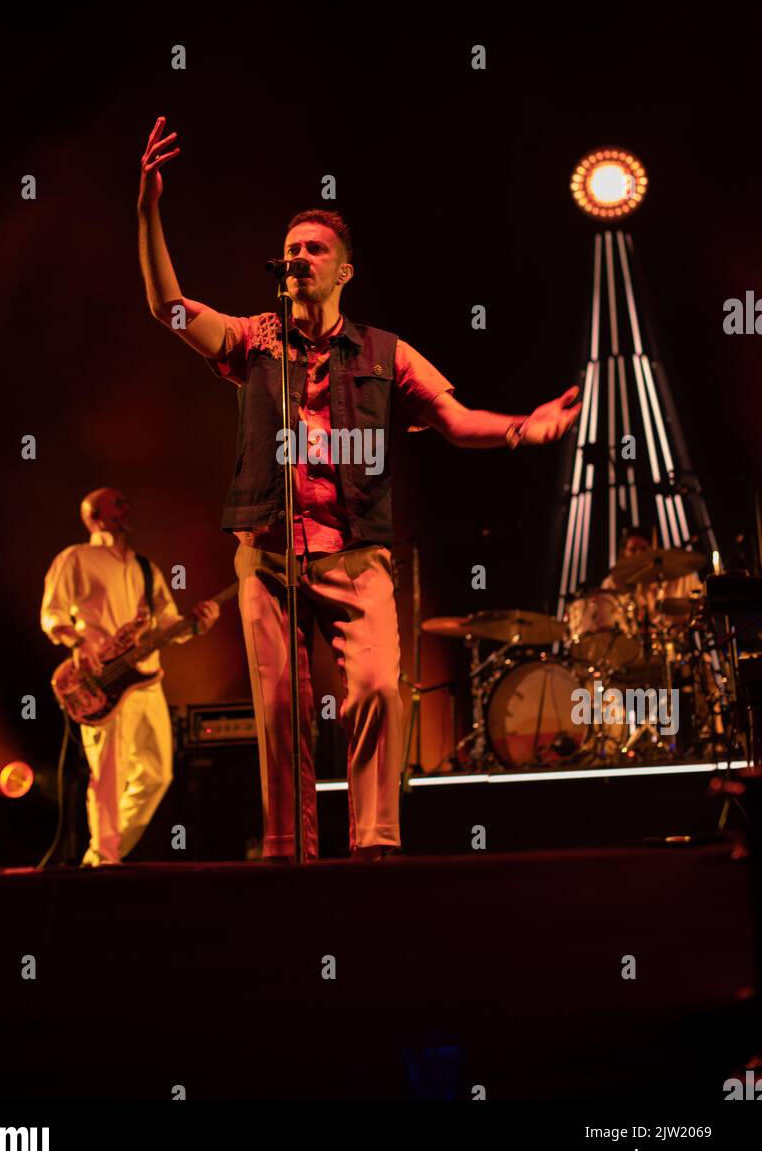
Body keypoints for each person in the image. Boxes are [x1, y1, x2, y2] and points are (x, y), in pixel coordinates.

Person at [137, 116, 581, 861]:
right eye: (291, 249)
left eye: (315, 249)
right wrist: (148, 208)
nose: (299, 257)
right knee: (280, 711)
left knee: (376, 689)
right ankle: (289, 853)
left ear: (345, 270)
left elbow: (453, 418)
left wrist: (521, 429)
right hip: (269, 554)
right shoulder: (255, 338)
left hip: (353, 553)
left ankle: (375, 846)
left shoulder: (384, 352)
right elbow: (168, 309)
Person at [40, 486, 219, 866]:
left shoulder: (145, 567)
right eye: (115, 503)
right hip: (99, 680)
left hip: (145, 679)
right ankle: (105, 859)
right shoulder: (75, 559)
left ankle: (103, 852)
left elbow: (166, 622)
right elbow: (52, 613)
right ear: (93, 516)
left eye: (125, 502)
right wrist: (77, 642)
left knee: (157, 775)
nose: (125, 507)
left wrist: (196, 625)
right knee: (107, 773)